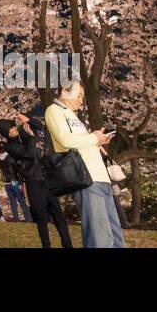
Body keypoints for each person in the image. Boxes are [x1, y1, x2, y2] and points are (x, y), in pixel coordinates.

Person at [44, 81, 123, 248]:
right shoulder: (54, 111)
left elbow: (81, 143)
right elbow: (65, 140)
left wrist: (98, 140)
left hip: (101, 178)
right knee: (99, 237)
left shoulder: (74, 116)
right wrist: (94, 138)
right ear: (65, 93)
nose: (81, 100)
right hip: (87, 179)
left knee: (115, 234)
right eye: (78, 95)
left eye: (82, 96)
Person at [0, 116, 71, 248]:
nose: (15, 127)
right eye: (12, 127)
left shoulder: (22, 134)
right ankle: (46, 245)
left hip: (45, 178)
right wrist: (31, 137)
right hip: (33, 182)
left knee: (58, 215)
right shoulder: (10, 146)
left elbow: (39, 127)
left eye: (14, 125)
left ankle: (67, 244)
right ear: (7, 133)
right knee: (42, 218)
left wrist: (28, 120)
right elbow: (30, 154)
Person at [0, 144, 31, 222]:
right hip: (14, 181)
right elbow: (17, 168)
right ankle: (28, 218)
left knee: (12, 202)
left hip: (6, 183)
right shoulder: (10, 158)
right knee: (21, 200)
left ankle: (16, 218)